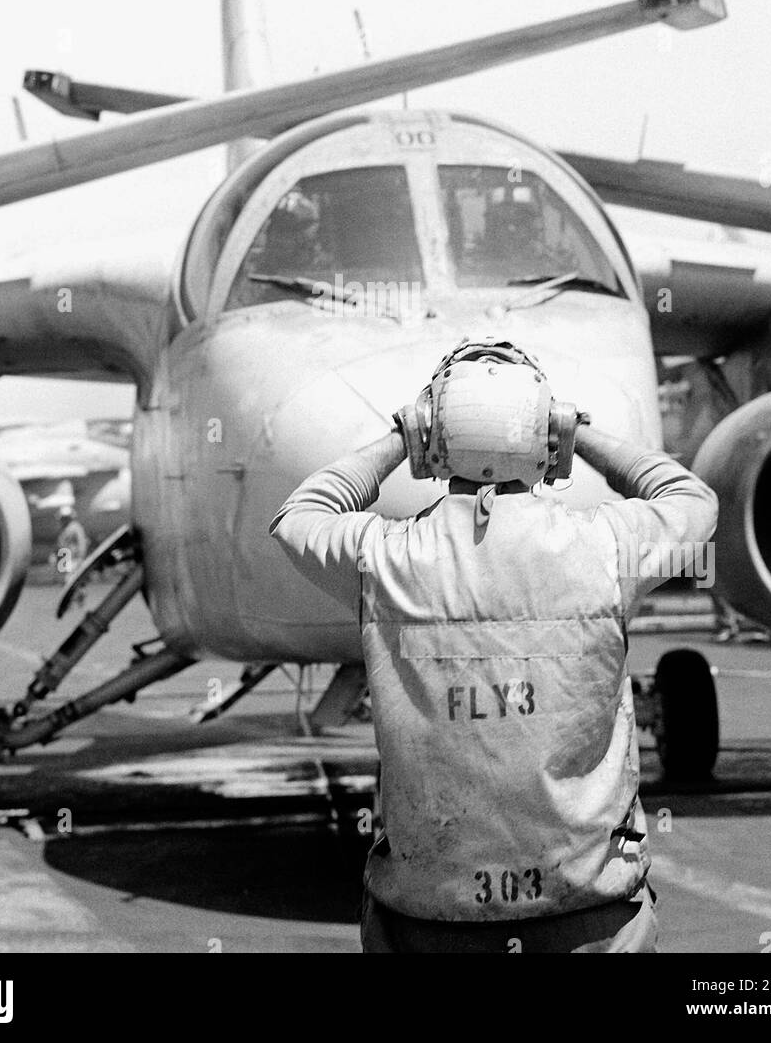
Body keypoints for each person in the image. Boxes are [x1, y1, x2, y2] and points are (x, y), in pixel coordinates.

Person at [270, 337, 718, 953]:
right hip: (590, 911)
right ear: (545, 436)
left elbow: (300, 514)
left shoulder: (387, 559)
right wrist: (578, 434)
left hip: (429, 919)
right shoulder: (608, 548)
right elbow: (692, 500)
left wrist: (400, 438)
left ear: (434, 437)